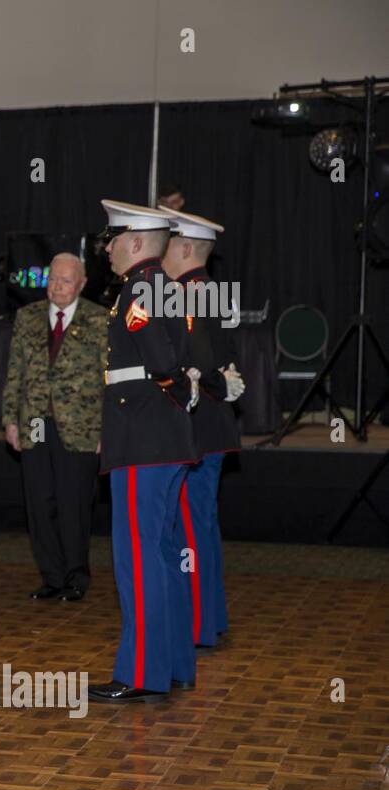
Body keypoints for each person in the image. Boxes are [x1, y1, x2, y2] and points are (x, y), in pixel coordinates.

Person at [88, 200, 200, 704]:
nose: (107, 249)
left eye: (112, 240)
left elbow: (160, 359)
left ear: (133, 242)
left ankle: (141, 672)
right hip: (165, 436)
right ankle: (172, 664)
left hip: (142, 436)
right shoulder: (166, 287)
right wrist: (179, 395)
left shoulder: (139, 288)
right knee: (165, 553)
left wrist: (173, 389)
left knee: (138, 558)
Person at [160, 207, 246, 650]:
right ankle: (206, 618)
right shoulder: (208, 292)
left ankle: (196, 623)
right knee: (201, 525)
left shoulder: (189, 295)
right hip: (209, 426)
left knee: (191, 528)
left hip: (198, 426)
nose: (162, 252)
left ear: (187, 248)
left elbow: (200, 367)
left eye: (169, 243)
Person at [1, 253, 108, 602]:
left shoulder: (99, 320)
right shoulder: (27, 317)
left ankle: (77, 575)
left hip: (81, 426)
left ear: (81, 284)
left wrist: (107, 430)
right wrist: (10, 420)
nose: (57, 287)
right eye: (52, 280)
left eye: (65, 281)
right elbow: (14, 371)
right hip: (35, 421)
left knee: (73, 501)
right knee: (39, 500)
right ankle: (51, 575)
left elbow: (110, 379)